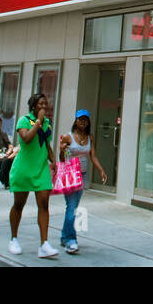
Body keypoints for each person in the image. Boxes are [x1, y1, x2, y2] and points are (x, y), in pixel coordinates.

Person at [7, 94, 58, 258]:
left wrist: (53, 159)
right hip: (24, 168)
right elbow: (27, 138)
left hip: (41, 168)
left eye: (46, 104)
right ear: (33, 106)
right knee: (18, 205)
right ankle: (13, 239)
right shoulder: (24, 120)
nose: (44, 107)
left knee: (44, 203)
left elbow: (45, 143)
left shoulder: (48, 123)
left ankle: (44, 243)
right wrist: (38, 122)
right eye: (41, 104)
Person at [57, 109, 108, 254]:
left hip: (82, 175)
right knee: (72, 208)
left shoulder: (89, 137)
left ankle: (64, 236)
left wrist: (101, 170)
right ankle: (71, 240)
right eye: (80, 119)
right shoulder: (68, 137)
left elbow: (93, 156)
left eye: (85, 119)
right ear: (76, 121)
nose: (82, 122)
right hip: (69, 174)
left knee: (72, 207)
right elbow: (62, 159)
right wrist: (61, 150)